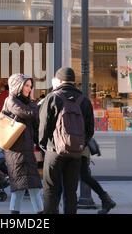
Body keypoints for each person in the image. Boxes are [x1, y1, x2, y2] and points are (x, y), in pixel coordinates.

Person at [39, 67, 94, 214]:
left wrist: (44, 144)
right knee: (71, 192)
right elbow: (90, 129)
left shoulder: (52, 97)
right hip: (75, 153)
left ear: (59, 80)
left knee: (50, 189)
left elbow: (43, 126)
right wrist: (79, 144)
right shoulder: (84, 100)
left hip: (54, 151)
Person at [3, 73, 43, 214]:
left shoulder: (24, 102)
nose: (29, 89)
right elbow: (28, 113)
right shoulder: (11, 100)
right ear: (17, 85)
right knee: (29, 186)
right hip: (16, 151)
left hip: (24, 149)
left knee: (22, 187)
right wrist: (35, 103)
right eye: (26, 85)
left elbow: (34, 120)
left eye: (30, 86)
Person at [80, 144, 116, 214]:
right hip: (79, 148)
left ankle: (106, 199)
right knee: (83, 176)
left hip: (78, 148)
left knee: (84, 176)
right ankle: (106, 199)